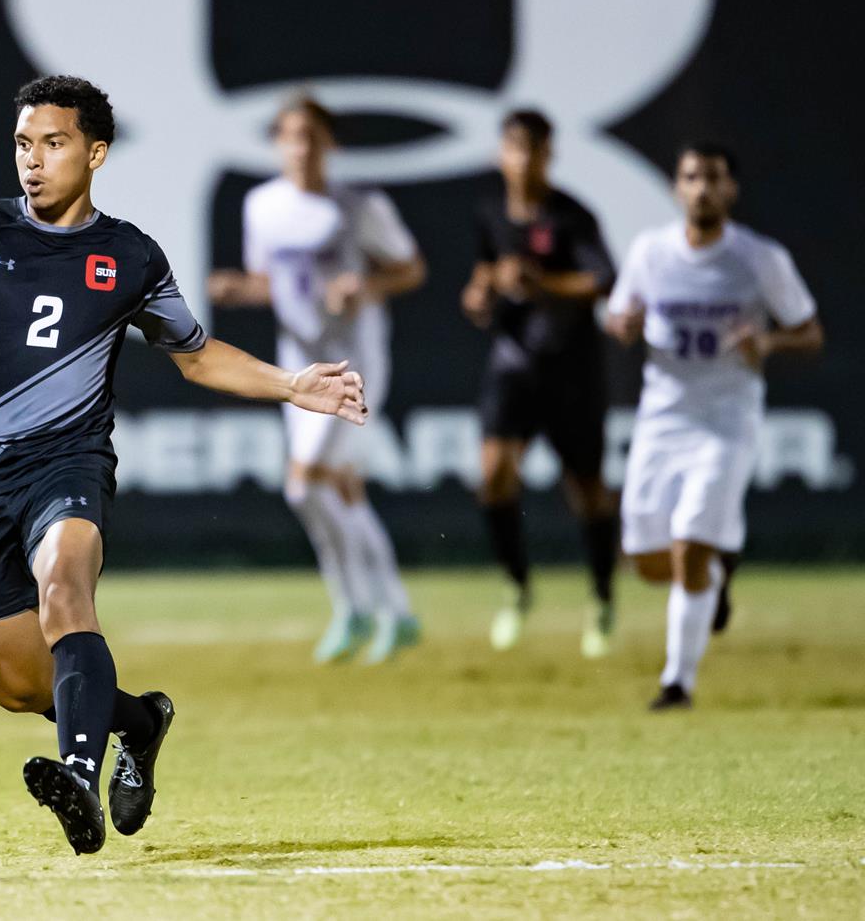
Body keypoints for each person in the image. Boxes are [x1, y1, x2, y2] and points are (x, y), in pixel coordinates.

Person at [0, 75, 367, 854]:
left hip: (69, 463)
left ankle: (80, 779)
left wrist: (293, 384)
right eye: (24, 143)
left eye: (53, 144)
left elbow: (195, 356)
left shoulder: (129, 257)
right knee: (20, 687)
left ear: (95, 153)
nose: (33, 160)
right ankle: (139, 720)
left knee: (66, 594)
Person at [208, 93, 426, 665]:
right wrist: (239, 288)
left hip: (354, 363)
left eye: (311, 136)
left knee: (304, 485)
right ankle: (396, 612)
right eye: (289, 135)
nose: (300, 147)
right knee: (341, 491)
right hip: (300, 369)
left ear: (331, 143)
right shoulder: (262, 207)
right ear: (278, 142)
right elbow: (273, 282)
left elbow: (410, 268)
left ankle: (353, 606)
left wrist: (367, 287)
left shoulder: (356, 207)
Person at [606, 143, 820, 710]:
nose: (701, 188)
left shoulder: (758, 258)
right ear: (677, 187)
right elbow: (620, 313)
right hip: (662, 417)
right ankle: (719, 580)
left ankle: (678, 683)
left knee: (689, 552)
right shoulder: (651, 251)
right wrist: (622, 324)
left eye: (713, 179)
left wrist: (769, 340)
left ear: (731, 191)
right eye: (691, 177)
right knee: (649, 561)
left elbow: (809, 330)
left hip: (727, 417)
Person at [462, 109, 621, 657]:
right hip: (514, 363)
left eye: (534, 149)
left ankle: (601, 597)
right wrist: (481, 294)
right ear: (500, 154)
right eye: (514, 148)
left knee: (587, 491)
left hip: (571, 367)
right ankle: (516, 586)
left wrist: (541, 280)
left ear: (549, 155)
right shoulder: (490, 214)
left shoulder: (571, 215)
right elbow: (485, 276)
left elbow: (604, 281)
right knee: (493, 474)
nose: (523, 160)